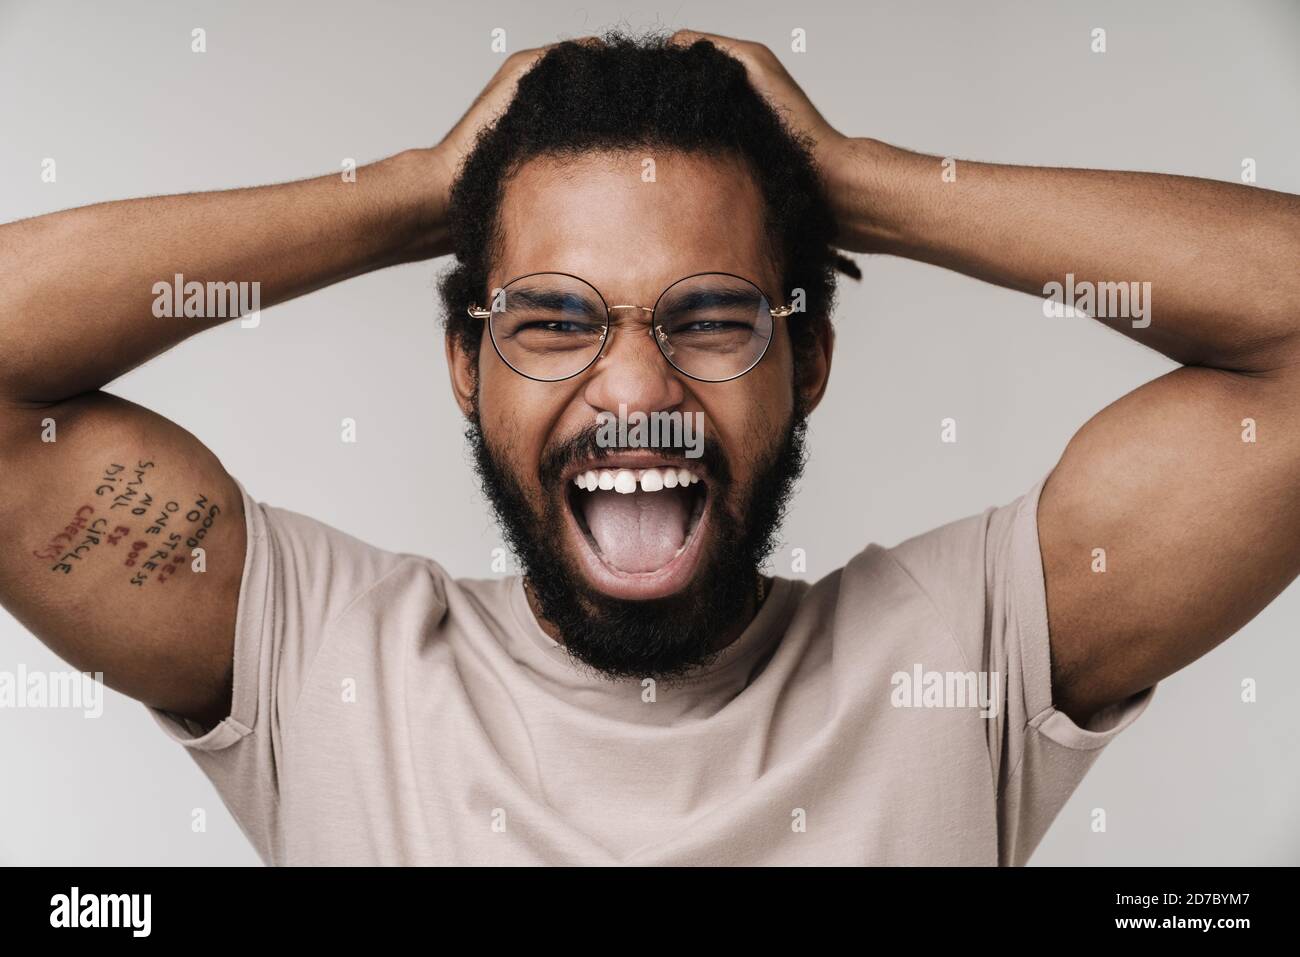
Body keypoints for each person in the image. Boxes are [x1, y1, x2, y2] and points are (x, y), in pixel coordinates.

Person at [2, 30, 1297, 866]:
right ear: (465, 364)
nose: (635, 385)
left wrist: (858, 181)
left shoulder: (965, 650)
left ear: (812, 360)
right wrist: (420, 187)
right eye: (553, 319)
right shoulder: (318, 660)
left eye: (716, 314)